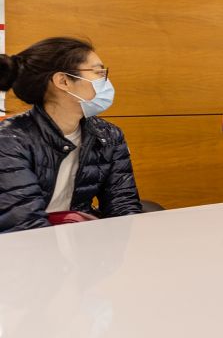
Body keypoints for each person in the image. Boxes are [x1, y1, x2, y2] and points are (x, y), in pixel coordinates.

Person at [0, 37, 141, 233]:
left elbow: (124, 207)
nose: (106, 81)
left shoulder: (109, 135)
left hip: (82, 243)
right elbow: (25, 226)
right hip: (25, 252)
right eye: (98, 72)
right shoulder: (9, 140)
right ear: (63, 81)